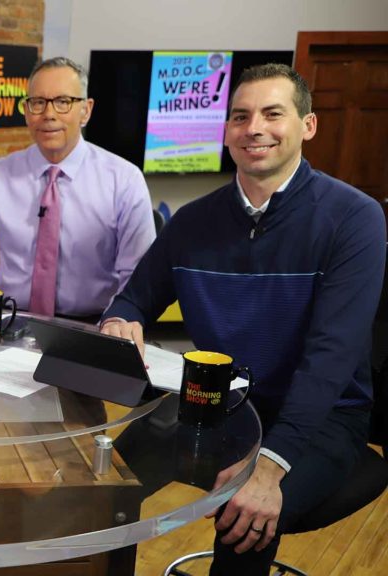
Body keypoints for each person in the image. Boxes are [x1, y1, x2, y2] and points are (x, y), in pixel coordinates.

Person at [101, 63, 386, 575]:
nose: (254, 127)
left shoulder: (353, 217)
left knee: (244, 514)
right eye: (240, 116)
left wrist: (270, 466)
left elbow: (331, 358)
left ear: (307, 125)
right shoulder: (192, 223)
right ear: (227, 131)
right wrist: (120, 322)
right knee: (107, 483)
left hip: (322, 418)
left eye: (273, 113)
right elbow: (133, 299)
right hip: (222, 401)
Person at [0, 57, 156, 321]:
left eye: (63, 102)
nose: (49, 114)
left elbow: (137, 279)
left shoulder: (124, 180)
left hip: (94, 325)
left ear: (86, 110)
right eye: (38, 103)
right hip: (11, 322)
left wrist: (116, 325)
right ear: (26, 111)